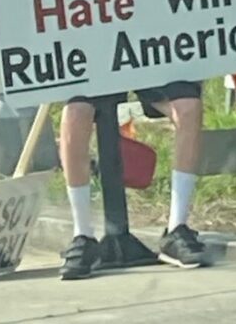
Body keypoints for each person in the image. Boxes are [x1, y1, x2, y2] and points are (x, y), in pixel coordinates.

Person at [59, 81, 208, 280]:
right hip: (93, 58)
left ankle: (176, 229)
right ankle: (83, 236)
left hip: (145, 54)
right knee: (75, 114)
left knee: (188, 107)